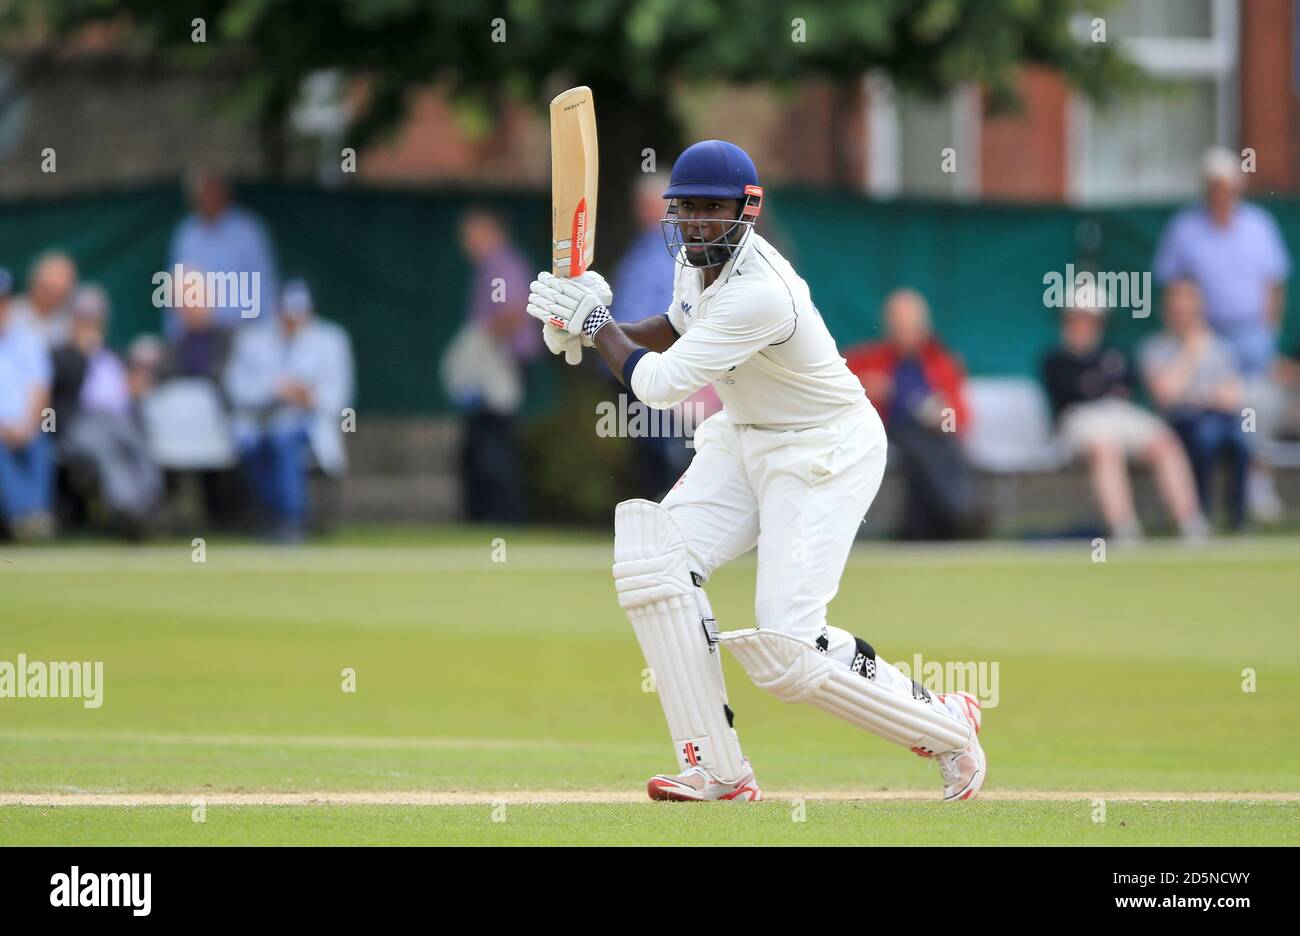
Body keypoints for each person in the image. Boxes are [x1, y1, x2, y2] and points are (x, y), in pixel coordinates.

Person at [525, 140, 986, 803]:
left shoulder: (761, 292)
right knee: (653, 561)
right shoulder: (695, 265)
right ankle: (717, 768)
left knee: (788, 648)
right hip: (745, 437)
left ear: (749, 210)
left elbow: (656, 385)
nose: (699, 225)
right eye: (687, 211)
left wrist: (596, 325)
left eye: (714, 211)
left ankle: (948, 725)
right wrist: (598, 327)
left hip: (824, 450)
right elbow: (676, 328)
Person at [1153, 147, 1292, 522]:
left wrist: (1268, 328)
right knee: (1207, 412)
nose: (1221, 193)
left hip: (1251, 335)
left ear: (1238, 187)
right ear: (1206, 187)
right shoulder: (1185, 229)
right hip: (1206, 337)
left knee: (1253, 405)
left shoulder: (1259, 224)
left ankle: (1255, 481)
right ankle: (1201, 504)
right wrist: (1189, 334)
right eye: (1215, 186)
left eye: (1228, 186)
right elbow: (1173, 282)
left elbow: (1274, 283)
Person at [1041, 297, 1205, 543]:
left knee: (1165, 441)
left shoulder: (1116, 353)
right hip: (1080, 420)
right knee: (1105, 447)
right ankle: (1125, 529)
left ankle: (1190, 523)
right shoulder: (1055, 360)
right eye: (1077, 318)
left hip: (1121, 415)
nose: (1083, 325)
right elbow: (1076, 394)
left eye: (1090, 319)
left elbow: (1124, 392)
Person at [845, 289, 982, 539]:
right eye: (897, 327)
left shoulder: (941, 363)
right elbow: (835, 391)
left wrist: (943, 417)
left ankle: (946, 519)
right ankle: (958, 515)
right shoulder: (868, 360)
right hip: (887, 434)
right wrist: (865, 388)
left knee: (944, 448)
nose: (903, 333)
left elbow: (960, 418)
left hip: (934, 436)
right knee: (921, 451)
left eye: (909, 327)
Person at [224, 280, 354, 542]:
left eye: (299, 315)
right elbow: (235, 388)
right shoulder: (253, 338)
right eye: (288, 316)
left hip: (308, 423)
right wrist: (274, 390)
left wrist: (309, 397)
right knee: (251, 443)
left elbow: (341, 396)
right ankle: (266, 514)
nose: (293, 323)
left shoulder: (331, 339)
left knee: (284, 439)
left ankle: (292, 518)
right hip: (259, 420)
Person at [50, 285, 162, 534]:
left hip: (119, 419)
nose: (89, 322)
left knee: (139, 445)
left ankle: (149, 507)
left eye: (94, 316)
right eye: (83, 316)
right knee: (106, 449)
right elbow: (62, 389)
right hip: (81, 423)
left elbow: (131, 392)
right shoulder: (61, 354)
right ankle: (129, 511)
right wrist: (84, 353)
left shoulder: (113, 354)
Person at [1139, 281, 1250, 530]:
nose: (1184, 314)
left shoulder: (1220, 347)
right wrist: (1191, 350)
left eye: (1190, 308)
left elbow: (1233, 396)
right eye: (1178, 309)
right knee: (1205, 438)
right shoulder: (1154, 347)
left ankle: (1239, 519)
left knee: (1242, 441)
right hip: (1180, 422)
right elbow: (1165, 395)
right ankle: (1200, 516)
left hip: (1220, 418)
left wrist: (1204, 396)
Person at [611, 173, 696, 496]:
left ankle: (669, 512)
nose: (641, 211)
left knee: (667, 445)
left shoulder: (676, 249)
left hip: (662, 363)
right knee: (647, 444)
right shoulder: (641, 248)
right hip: (635, 364)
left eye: (649, 204)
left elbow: (673, 313)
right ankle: (655, 512)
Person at [451, 207, 537, 523]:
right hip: (495, 367)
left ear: (491, 232)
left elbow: (515, 311)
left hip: (504, 367)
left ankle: (503, 515)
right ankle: (486, 513)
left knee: (494, 442)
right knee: (482, 441)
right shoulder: (490, 266)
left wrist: (483, 341)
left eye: (472, 235)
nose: (467, 243)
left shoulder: (502, 265)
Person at [168, 169, 279, 334]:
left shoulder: (248, 231)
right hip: (196, 337)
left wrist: (215, 314)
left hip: (243, 333)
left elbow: (266, 292)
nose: (209, 198)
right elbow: (174, 293)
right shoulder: (186, 234)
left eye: (214, 191)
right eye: (204, 193)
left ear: (226, 194)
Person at [0, 267, 56, 540]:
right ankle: (25, 516)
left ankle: (36, 515)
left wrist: (26, 425)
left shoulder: (27, 339)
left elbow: (39, 389)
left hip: (28, 424)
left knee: (42, 439)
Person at [9, 251, 78, 349]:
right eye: (48, 289)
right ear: (35, 282)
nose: (53, 296)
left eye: (59, 291)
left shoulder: (69, 326)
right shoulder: (9, 313)